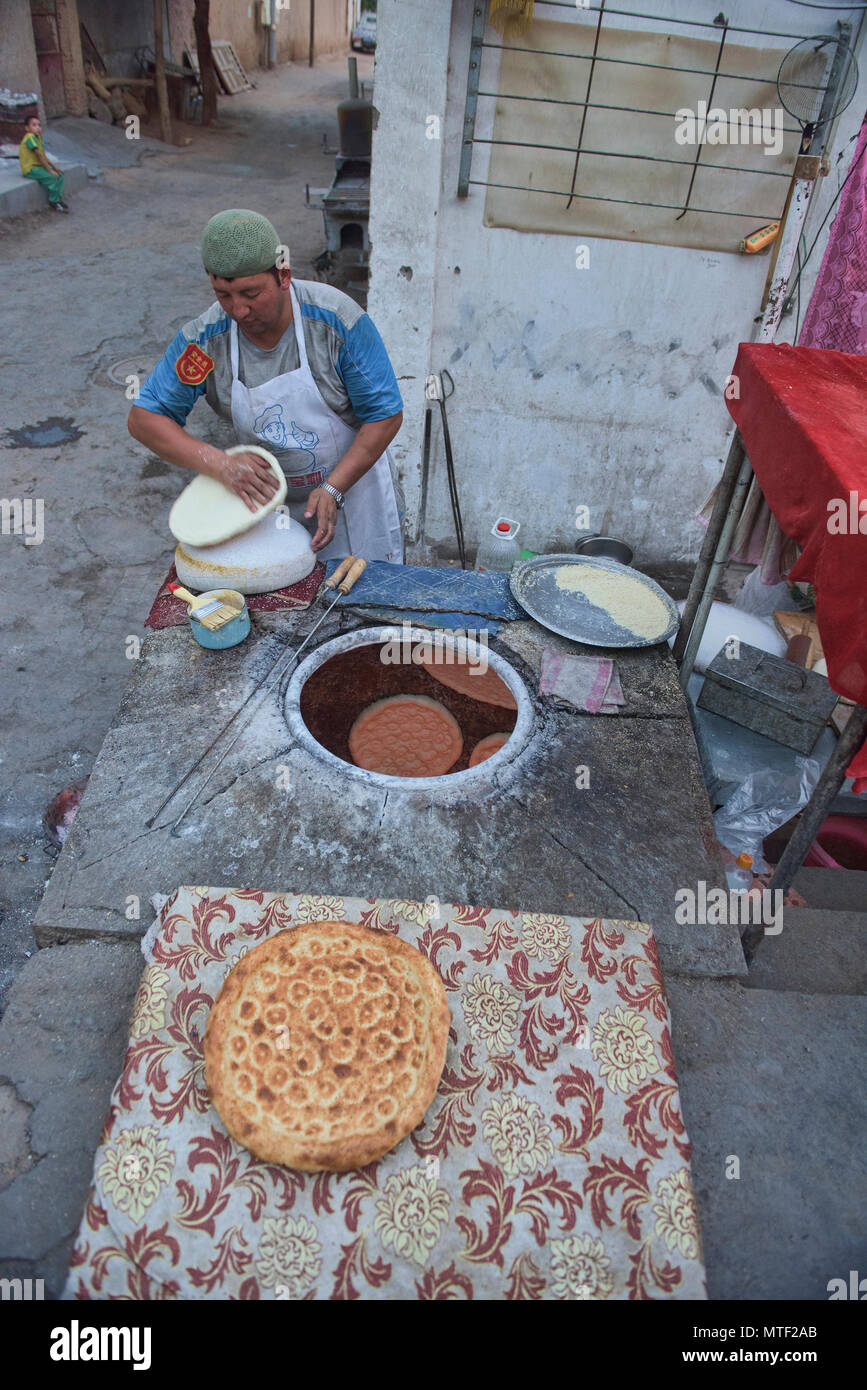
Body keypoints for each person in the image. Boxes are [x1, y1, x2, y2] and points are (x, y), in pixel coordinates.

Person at [128, 208, 404, 561]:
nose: (238, 310)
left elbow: (385, 416)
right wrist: (220, 464)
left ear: (284, 275)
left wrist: (334, 487)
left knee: (363, 601)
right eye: (223, 295)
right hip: (267, 509)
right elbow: (144, 419)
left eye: (251, 293)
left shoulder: (336, 322)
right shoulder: (204, 343)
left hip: (355, 496)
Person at [18, 115, 68, 212]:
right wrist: (50, 170)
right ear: (27, 128)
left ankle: (58, 199)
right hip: (30, 169)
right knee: (53, 177)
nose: (38, 128)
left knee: (60, 175)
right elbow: (39, 155)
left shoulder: (38, 138)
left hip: (38, 167)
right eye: (34, 125)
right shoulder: (30, 137)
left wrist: (55, 167)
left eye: (39, 125)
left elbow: (43, 156)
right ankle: (53, 202)